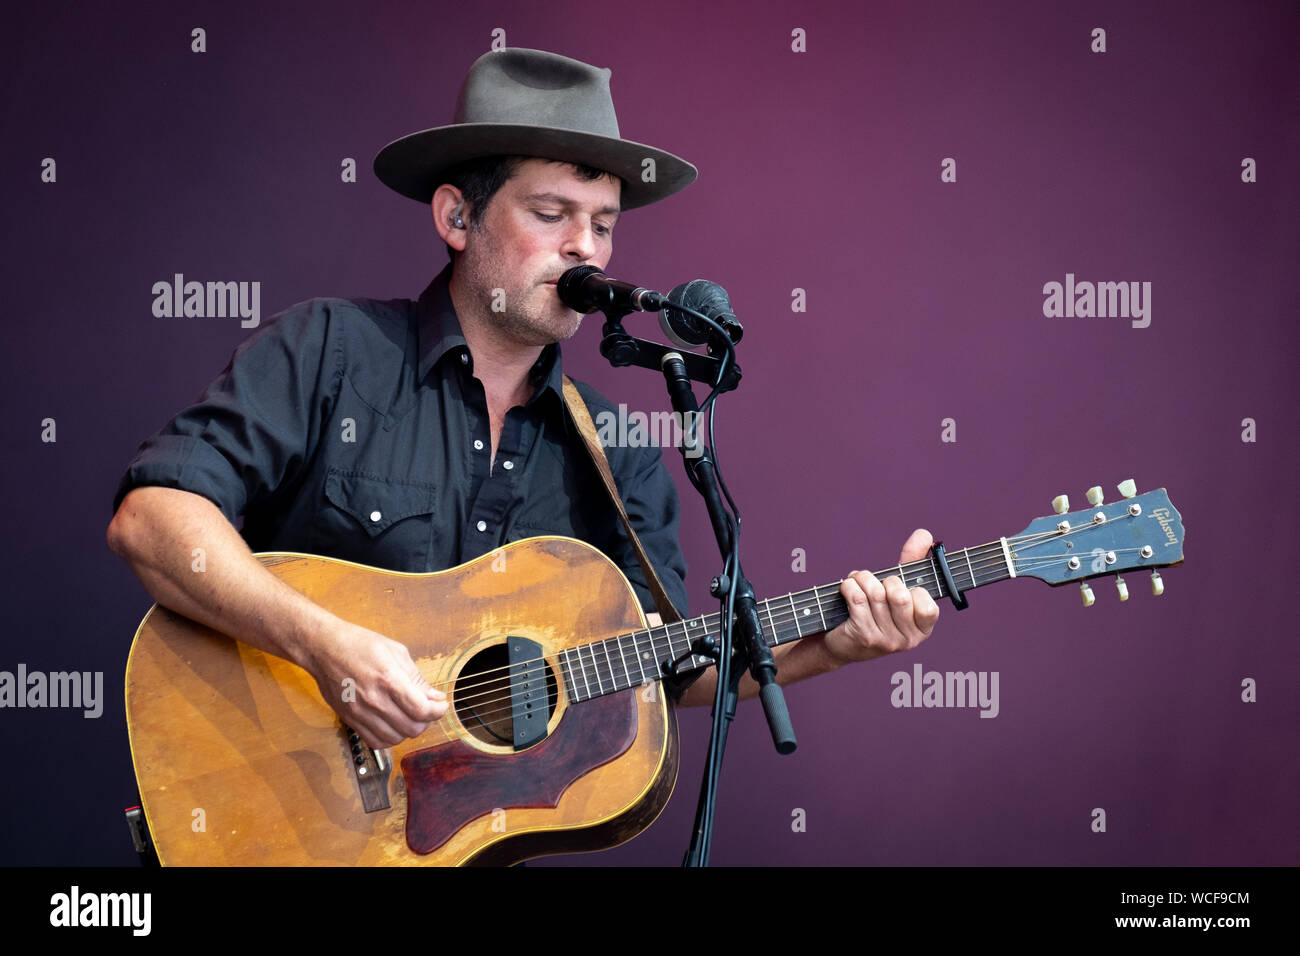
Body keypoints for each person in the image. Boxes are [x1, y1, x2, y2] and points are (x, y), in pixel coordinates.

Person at [107, 48, 939, 752]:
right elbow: (153, 517)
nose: (585, 246)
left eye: (605, 224)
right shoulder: (328, 350)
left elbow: (675, 665)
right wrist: (326, 646)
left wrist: (835, 645)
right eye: (552, 213)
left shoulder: (618, 448)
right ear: (457, 217)